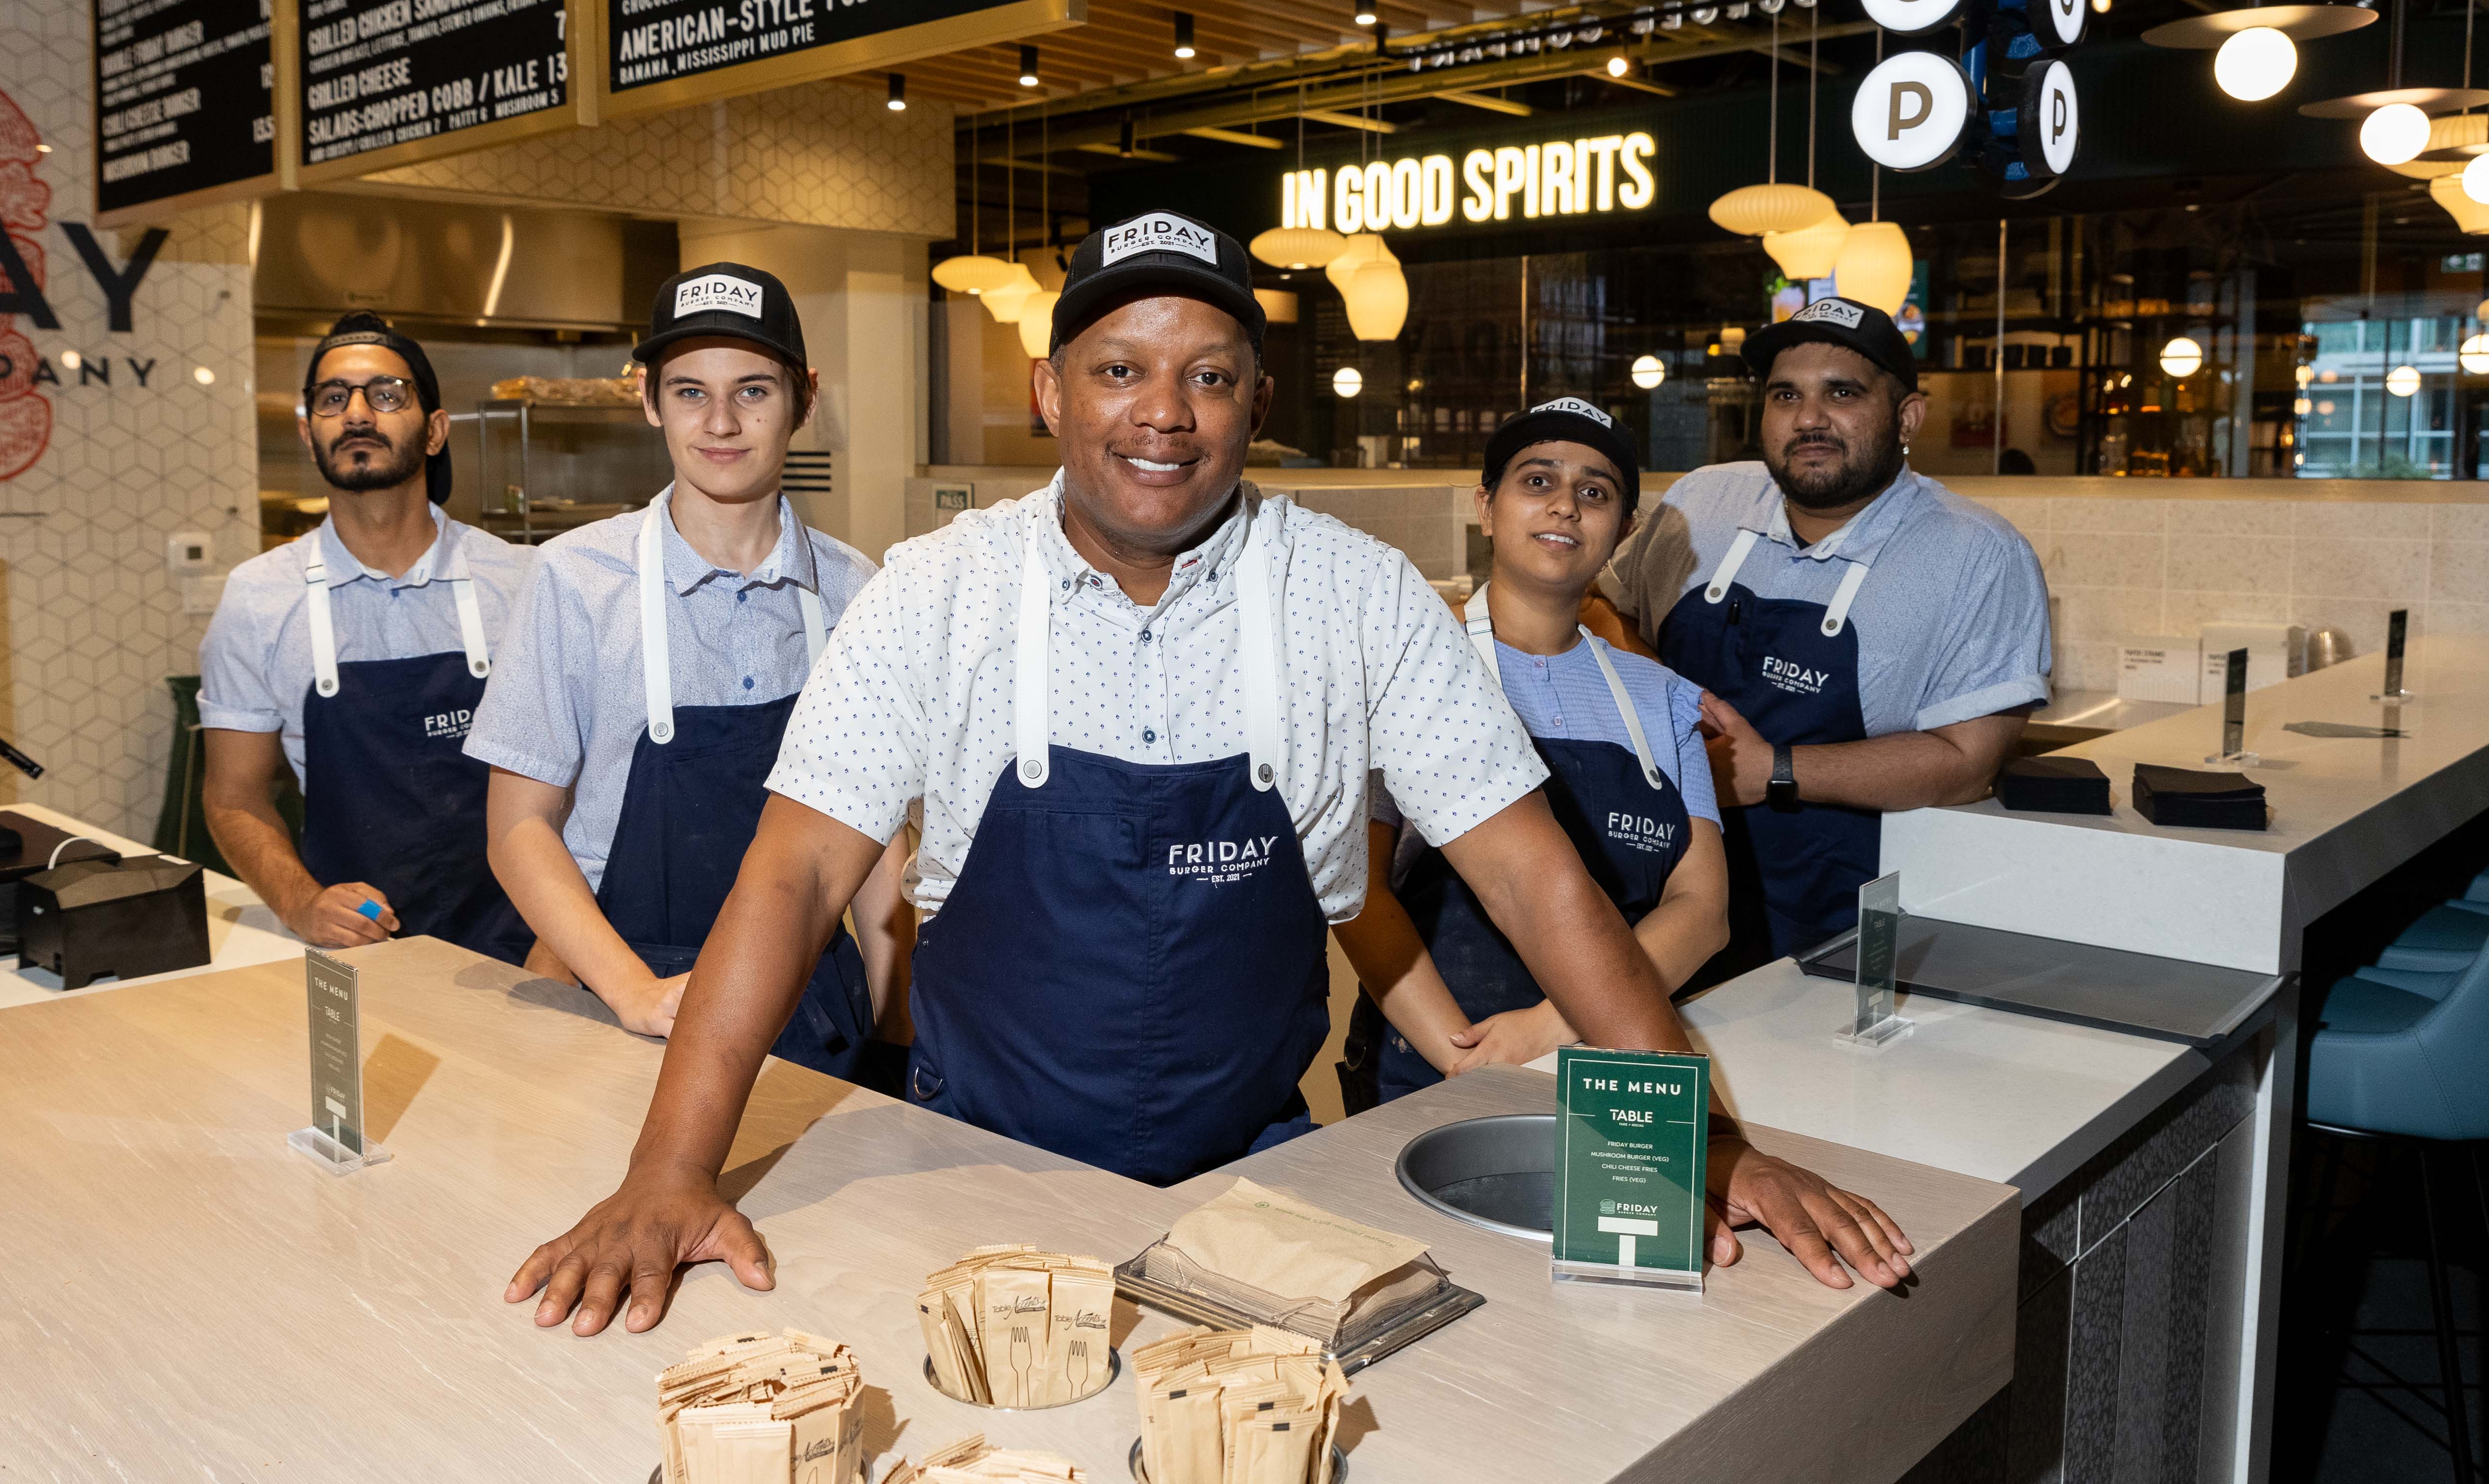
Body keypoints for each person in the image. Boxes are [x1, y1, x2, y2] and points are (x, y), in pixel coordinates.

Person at [504, 210, 1914, 1337]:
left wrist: (1706, 1151)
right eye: (1121, 369)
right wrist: (672, 1173)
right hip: (974, 1172)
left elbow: (1542, 887)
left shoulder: (1356, 598)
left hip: (1257, 1179)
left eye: (1209, 375)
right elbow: (794, 873)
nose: (1162, 414)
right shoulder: (938, 592)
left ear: (1257, 400)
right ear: (1051, 391)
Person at [464, 264, 906, 1071]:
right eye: (690, 392)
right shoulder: (575, 581)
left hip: (812, 1013)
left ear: (804, 398)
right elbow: (518, 829)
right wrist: (634, 992)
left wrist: (893, 1030)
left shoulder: (857, 590)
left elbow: (877, 846)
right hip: (617, 1001)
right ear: (649, 400)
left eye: (753, 391)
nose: (722, 422)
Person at [1601, 295, 2051, 981]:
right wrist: (1658, 694)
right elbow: (1600, 607)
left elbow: (1969, 765)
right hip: (1649, 900)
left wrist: (1772, 770)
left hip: (1833, 930)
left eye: (1842, 393)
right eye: (1787, 395)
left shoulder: (1978, 554)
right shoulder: (1703, 502)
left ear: (1908, 417)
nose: (1809, 418)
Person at [1336, 398, 1726, 1109]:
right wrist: (1464, 1057)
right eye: (1537, 481)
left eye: (1595, 492)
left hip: (1619, 1058)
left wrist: (1553, 1027)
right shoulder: (1405, 667)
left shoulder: (1662, 696)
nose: (1566, 507)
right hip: (1430, 1062)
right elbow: (1360, 893)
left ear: (1625, 531)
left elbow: (1702, 909)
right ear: (1487, 507)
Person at [199, 313, 534, 960]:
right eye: (333, 399)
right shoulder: (259, 598)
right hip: (354, 956)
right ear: (307, 433)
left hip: (521, 954)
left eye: (386, 395)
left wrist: (558, 949)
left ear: (435, 430)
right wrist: (299, 901)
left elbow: (586, 789)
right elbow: (234, 797)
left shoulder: (521, 583)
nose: (357, 414)